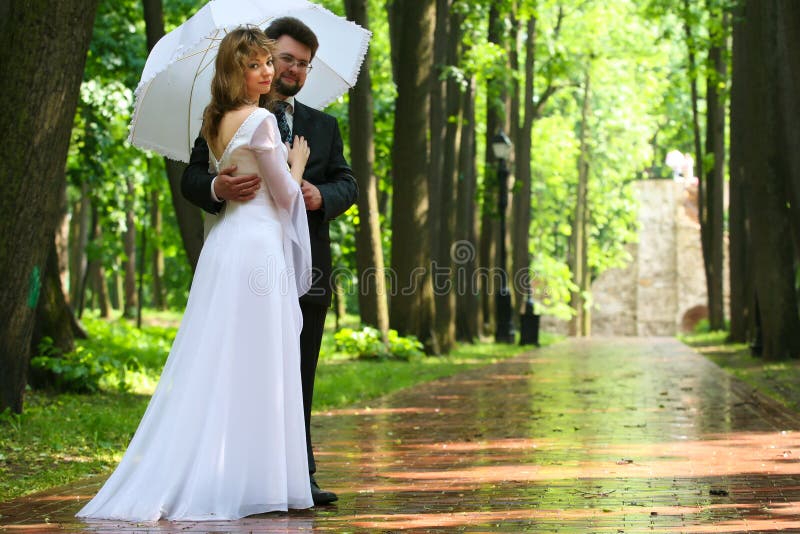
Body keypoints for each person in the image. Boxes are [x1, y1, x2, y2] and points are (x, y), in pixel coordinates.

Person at [77, 27, 314, 521]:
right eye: (255, 65)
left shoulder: (216, 120)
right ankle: (251, 479)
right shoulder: (264, 122)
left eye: (269, 63)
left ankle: (228, 472)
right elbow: (287, 198)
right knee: (258, 360)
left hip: (225, 245)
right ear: (236, 72)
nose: (268, 72)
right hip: (256, 247)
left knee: (223, 356)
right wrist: (297, 163)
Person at [182, 16, 358, 505]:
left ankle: (298, 474)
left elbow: (349, 183)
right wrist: (218, 186)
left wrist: (318, 194)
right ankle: (237, 472)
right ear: (261, 58)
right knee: (244, 369)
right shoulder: (230, 114)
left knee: (296, 373)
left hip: (306, 266)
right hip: (250, 260)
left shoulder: (323, 126)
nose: (294, 70)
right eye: (285, 59)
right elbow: (194, 176)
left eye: (304, 64)